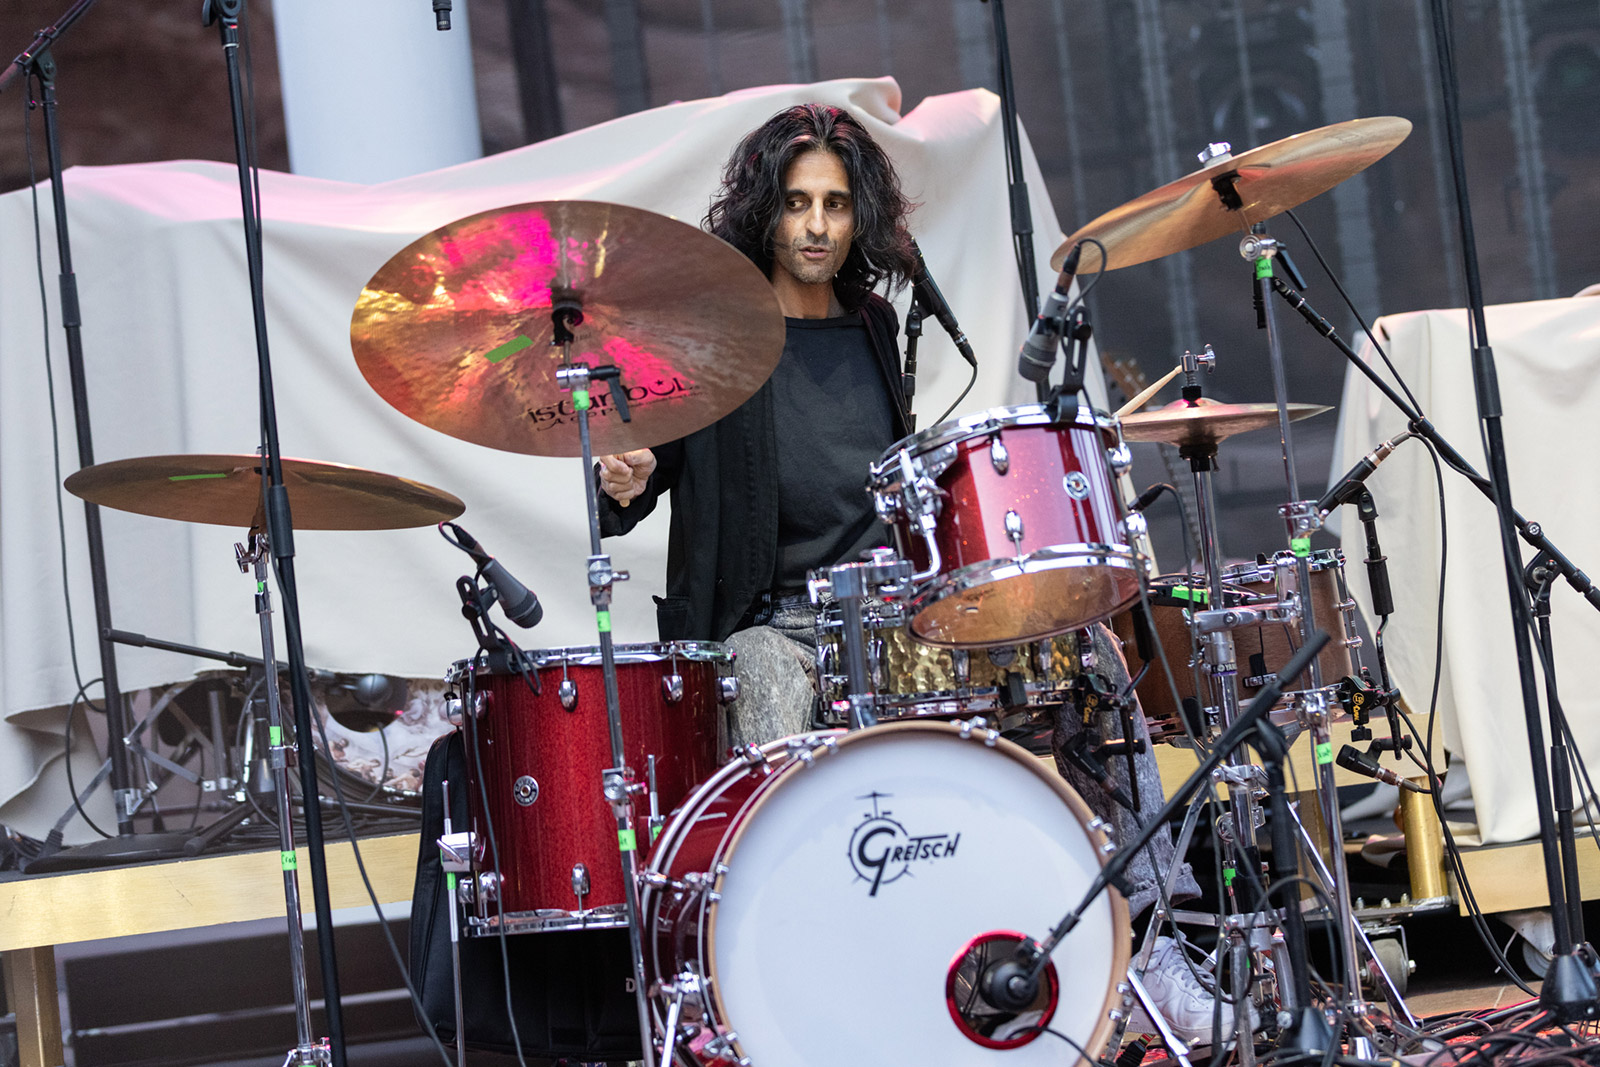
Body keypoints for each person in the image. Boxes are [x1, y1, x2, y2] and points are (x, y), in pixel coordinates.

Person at [596, 103, 1234, 1046]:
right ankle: (808, 989)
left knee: (1092, 663)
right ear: (763, 210)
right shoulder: (709, 335)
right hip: (780, 622)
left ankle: (1149, 956)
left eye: (837, 205)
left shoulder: (871, 322)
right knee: (766, 676)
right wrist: (628, 475)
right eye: (798, 202)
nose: (817, 224)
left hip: (897, 614)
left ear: (861, 218)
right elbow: (630, 482)